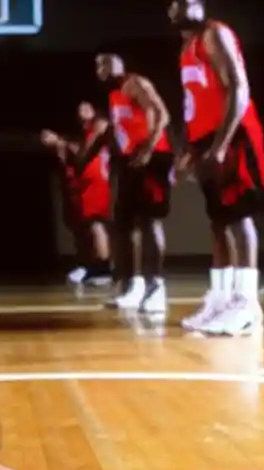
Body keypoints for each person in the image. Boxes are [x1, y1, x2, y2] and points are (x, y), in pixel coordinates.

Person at [171, 0, 264, 336]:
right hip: (206, 139)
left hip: (231, 134)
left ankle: (247, 304)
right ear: (169, 12)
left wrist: (221, 144)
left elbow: (239, 87)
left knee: (239, 215)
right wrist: (191, 148)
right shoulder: (186, 48)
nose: (185, 4)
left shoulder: (214, 34)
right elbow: (194, 104)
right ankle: (220, 298)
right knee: (218, 222)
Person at [84, 53, 174, 313]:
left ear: (119, 65)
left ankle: (156, 287)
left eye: (105, 64)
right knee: (123, 225)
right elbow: (121, 129)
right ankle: (133, 286)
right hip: (128, 161)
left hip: (151, 157)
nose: (100, 69)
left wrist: (148, 147)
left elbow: (161, 114)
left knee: (149, 221)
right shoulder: (114, 96)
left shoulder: (136, 84)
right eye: (97, 65)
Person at [41, 101, 113, 287]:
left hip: (95, 180)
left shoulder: (99, 125)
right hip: (83, 181)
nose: (83, 109)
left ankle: (103, 268)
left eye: (88, 107)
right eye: (80, 107)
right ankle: (89, 265)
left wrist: (59, 142)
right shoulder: (81, 133)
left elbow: (83, 153)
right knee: (83, 225)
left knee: (96, 223)